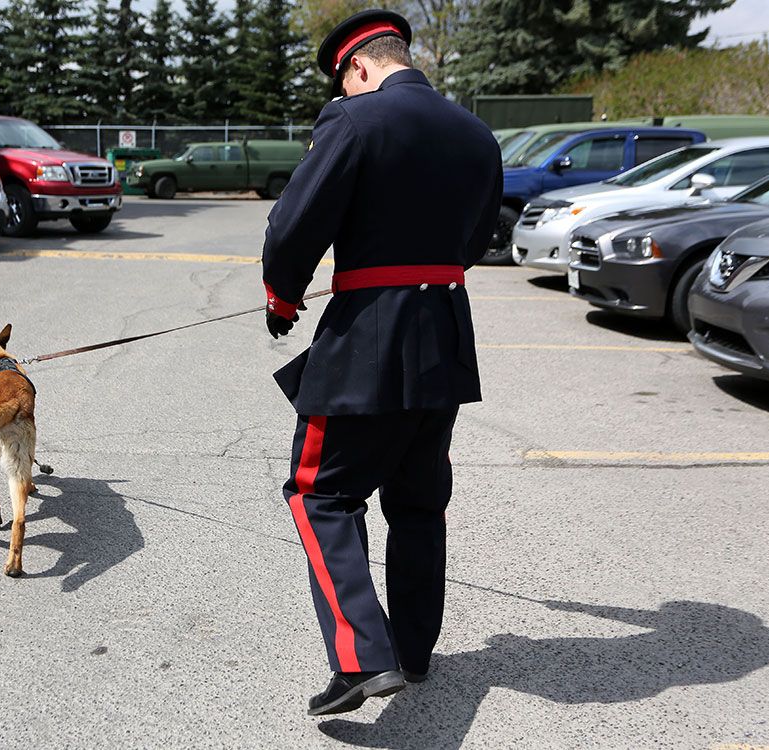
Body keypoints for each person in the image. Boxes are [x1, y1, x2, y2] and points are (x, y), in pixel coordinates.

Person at [260, 9, 503, 716]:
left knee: (320, 493)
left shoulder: (353, 119)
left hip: (370, 339)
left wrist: (282, 296)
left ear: (358, 68)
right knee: (419, 502)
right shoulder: (475, 133)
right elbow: (478, 235)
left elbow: (295, 226)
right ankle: (415, 653)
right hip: (445, 333)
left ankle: (363, 658)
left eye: (346, 81)